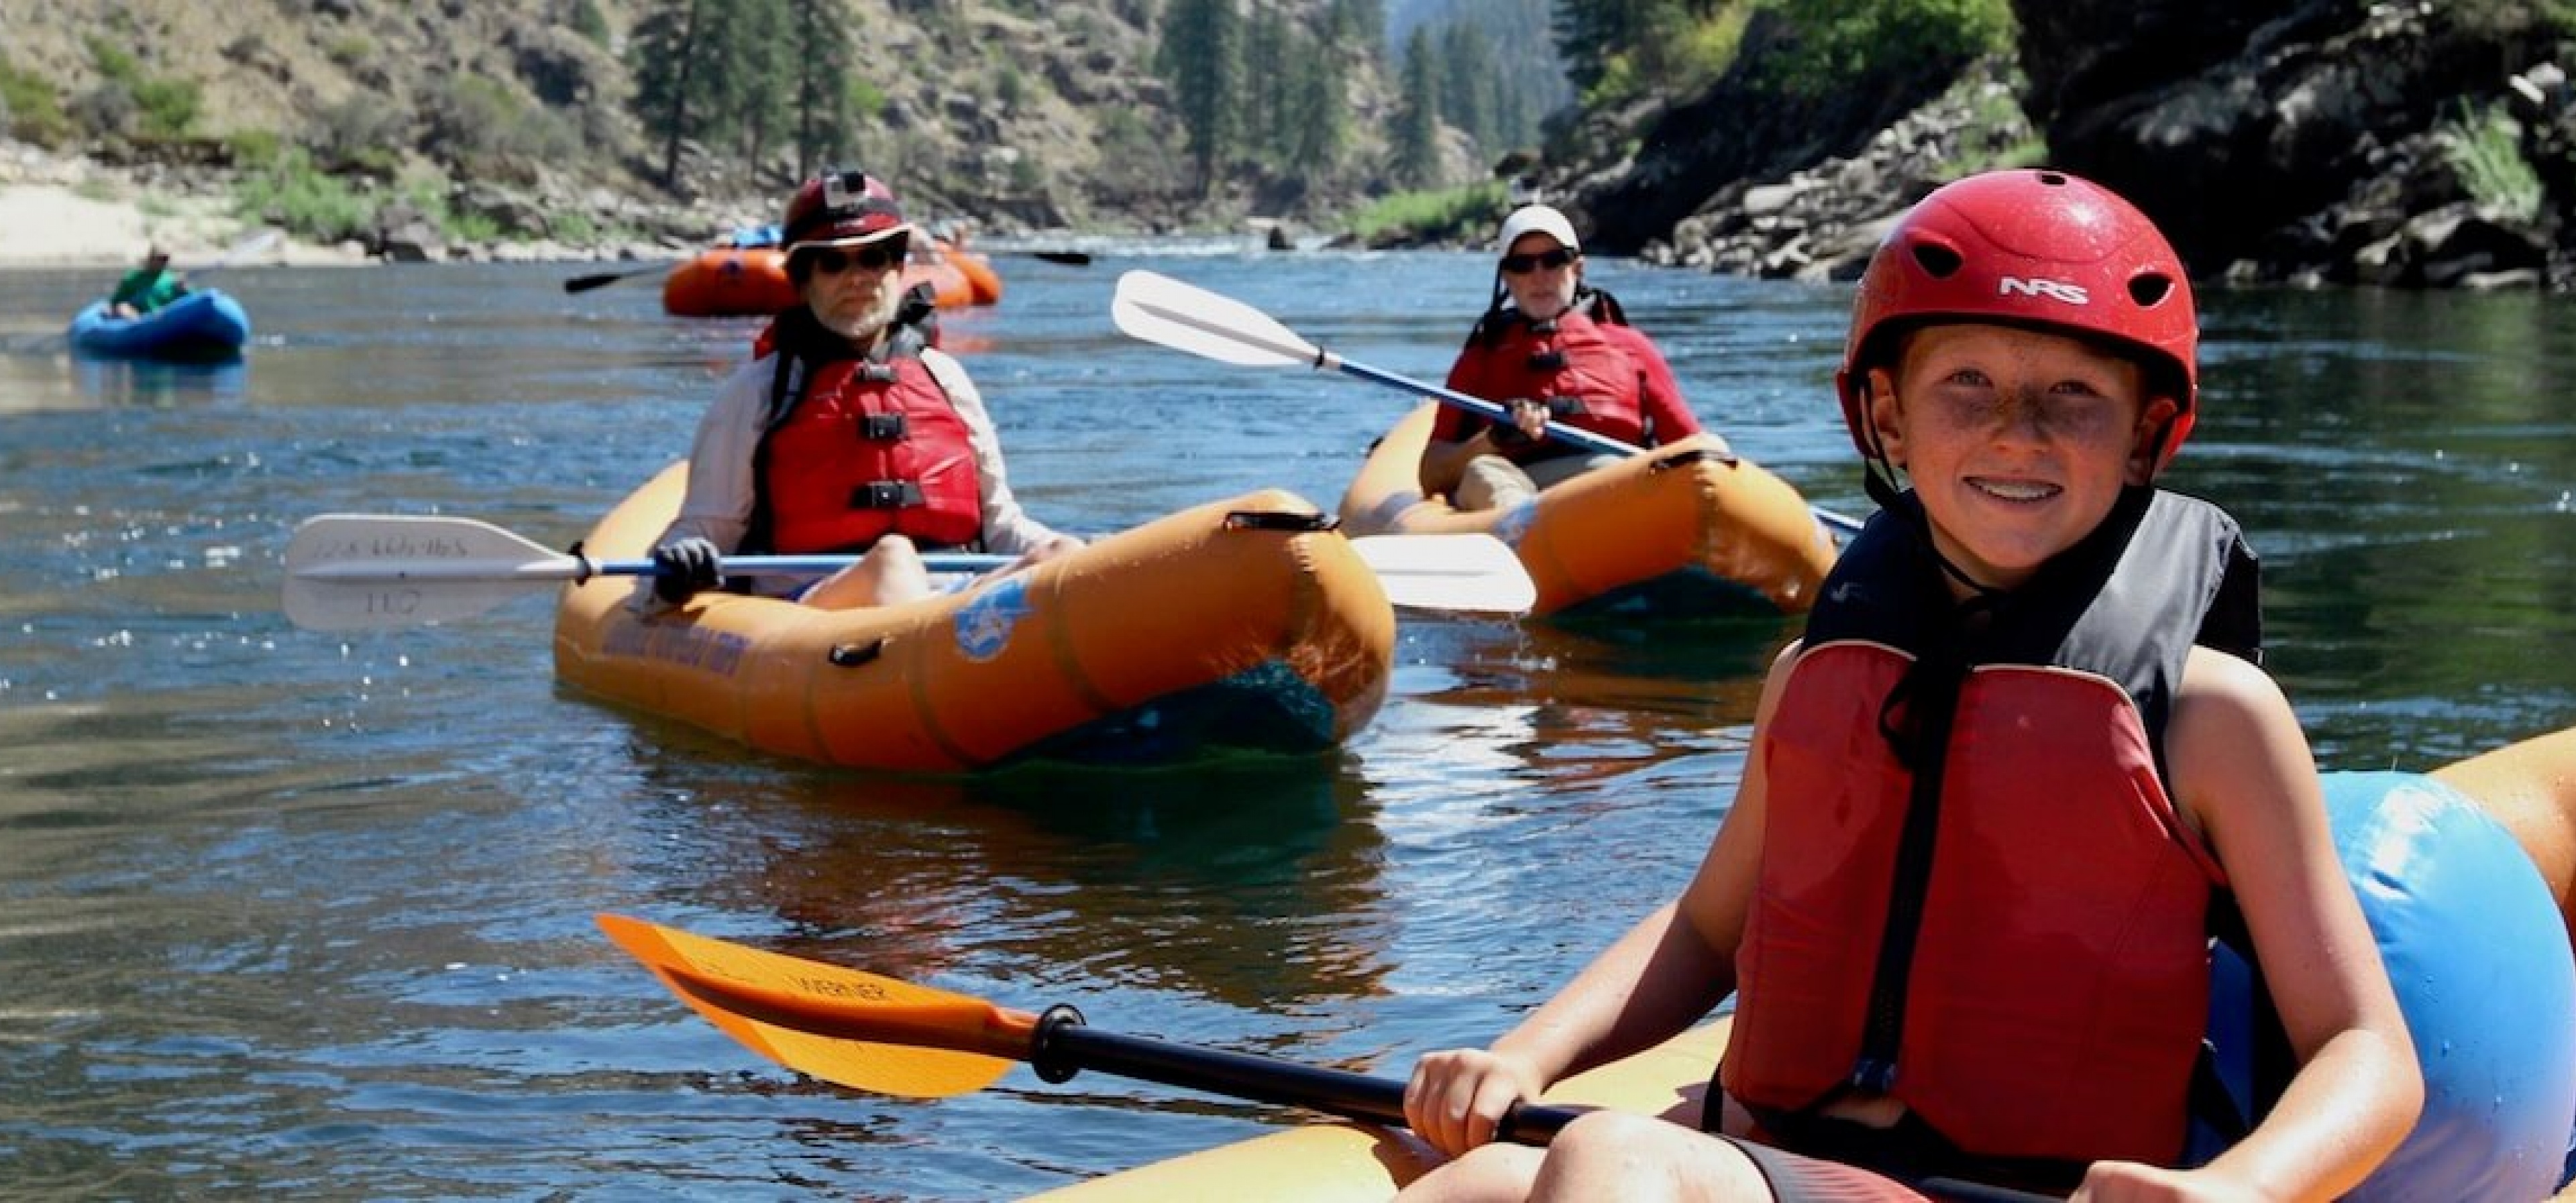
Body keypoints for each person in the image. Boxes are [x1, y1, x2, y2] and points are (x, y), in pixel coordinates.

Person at [1397, 170, 2423, 1201]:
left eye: (2075, 394)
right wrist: (1526, 1055)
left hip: (2009, 1187)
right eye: (1966, 384)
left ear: (2147, 434)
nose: (2018, 431)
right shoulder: (1813, 675)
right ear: (1887, 414)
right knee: (1462, 1186)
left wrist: (2244, 1185)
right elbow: (1710, 927)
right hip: (1782, 1148)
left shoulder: (2212, 715)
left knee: (1610, 1154)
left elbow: (2365, 1047)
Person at [638, 168, 1079, 613]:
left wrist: (1077, 555)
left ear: (897, 266)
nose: (858, 278)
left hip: (957, 600)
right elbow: (704, 527)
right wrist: (678, 565)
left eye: (875, 256)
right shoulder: (757, 392)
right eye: (834, 263)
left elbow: (1002, 524)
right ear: (803, 278)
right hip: (817, 610)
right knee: (892, 562)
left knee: (1061, 557)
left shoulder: (945, 377)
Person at [1419, 204, 1709, 512]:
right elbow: (1432, 475)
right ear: (1506, 276)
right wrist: (1495, 439)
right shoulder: (1479, 360)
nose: (1539, 276)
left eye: (1554, 261)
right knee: (1483, 471)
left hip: (1614, 482)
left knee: (1706, 451)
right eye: (1523, 265)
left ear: (1577, 268)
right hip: (1516, 489)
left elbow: (1690, 446)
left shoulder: (1631, 347)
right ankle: (1528, 540)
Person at [106, 245, 188, 318]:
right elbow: (117, 301)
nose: (163, 262)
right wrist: (112, 310)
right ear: (151, 258)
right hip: (141, 318)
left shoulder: (172, 279)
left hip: (166, 316)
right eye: (160, 259)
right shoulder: (133, 278)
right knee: (123, 307)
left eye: (166, 259)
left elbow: (186, 301)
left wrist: (183, 289)